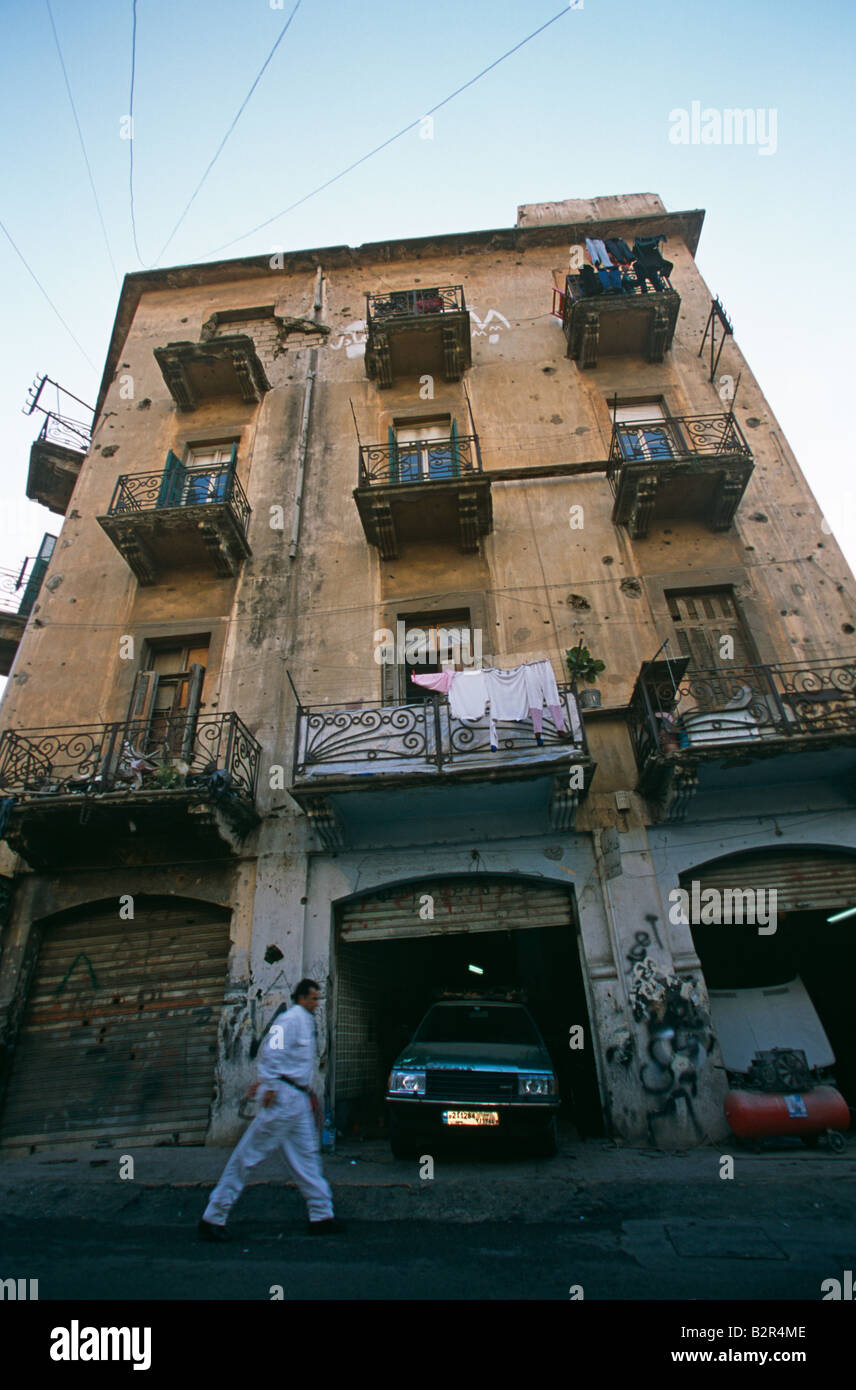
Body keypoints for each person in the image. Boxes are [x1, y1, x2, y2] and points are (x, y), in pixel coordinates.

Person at [197, 979, 346, 1239]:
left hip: (296, 1100)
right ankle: (213, 1216)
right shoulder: (290, 1020)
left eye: (317, 998)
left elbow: (297, 1063)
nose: (316, 1003)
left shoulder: (307, 1022)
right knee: (247, 1155)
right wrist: (269, 1084)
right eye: (312, 998)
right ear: (301, 998)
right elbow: (271, 1051)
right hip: (283, 1099)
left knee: (307, 1159)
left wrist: (307, 1092)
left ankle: (322, 1215)